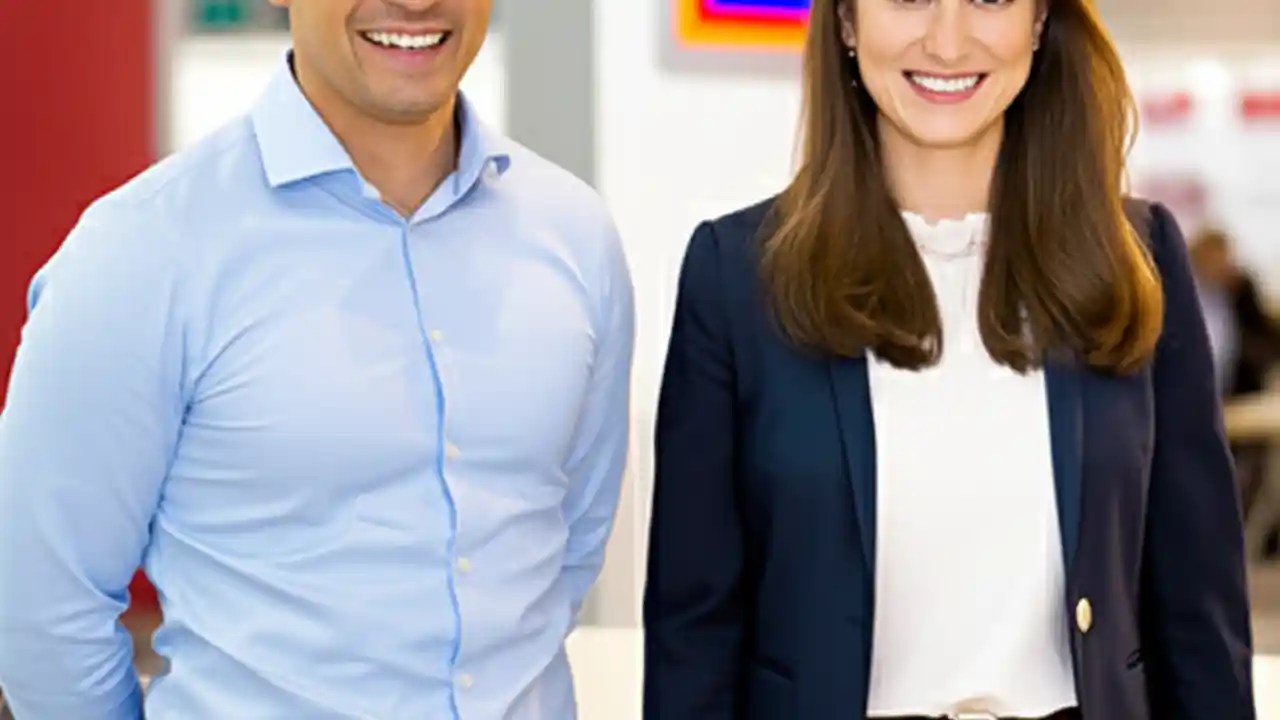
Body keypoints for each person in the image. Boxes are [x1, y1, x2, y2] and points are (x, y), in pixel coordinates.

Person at [0, 0, 634, 718]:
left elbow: (565, 552)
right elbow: (43, 606)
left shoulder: (576, 238)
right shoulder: (145, 249)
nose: (418, 2)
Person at [643, 0, 1254, 718]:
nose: (947, 38)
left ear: (1037, 22)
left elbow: (1197, 613)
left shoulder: (1134, 259)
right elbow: (695, 634)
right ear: (846, 21)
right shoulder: (737, 278)